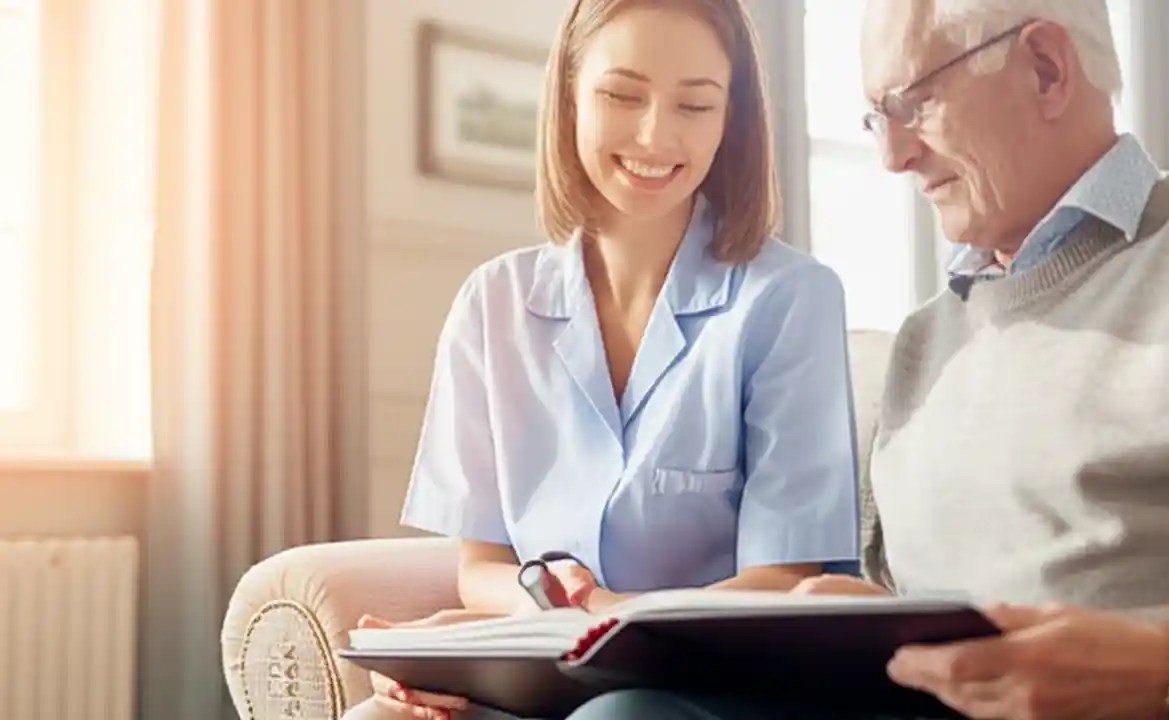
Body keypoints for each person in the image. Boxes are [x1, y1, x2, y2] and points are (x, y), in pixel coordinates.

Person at [568, 0, 1169, 718]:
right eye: (877, 119)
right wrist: (856, 626)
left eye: (910, 104)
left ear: (1046, 69)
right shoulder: (927, 342)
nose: (893, 156)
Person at [344, 0, 861, 718]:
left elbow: (782, 580)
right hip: (548, 674)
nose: (656, 135)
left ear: (731, 120)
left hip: (716, 684)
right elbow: (483, 565)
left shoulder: (790, 299)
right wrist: (480, 637)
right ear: (569, 97)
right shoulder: (493, 302)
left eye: (695, 106)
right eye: (622, 95)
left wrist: (607, 616)